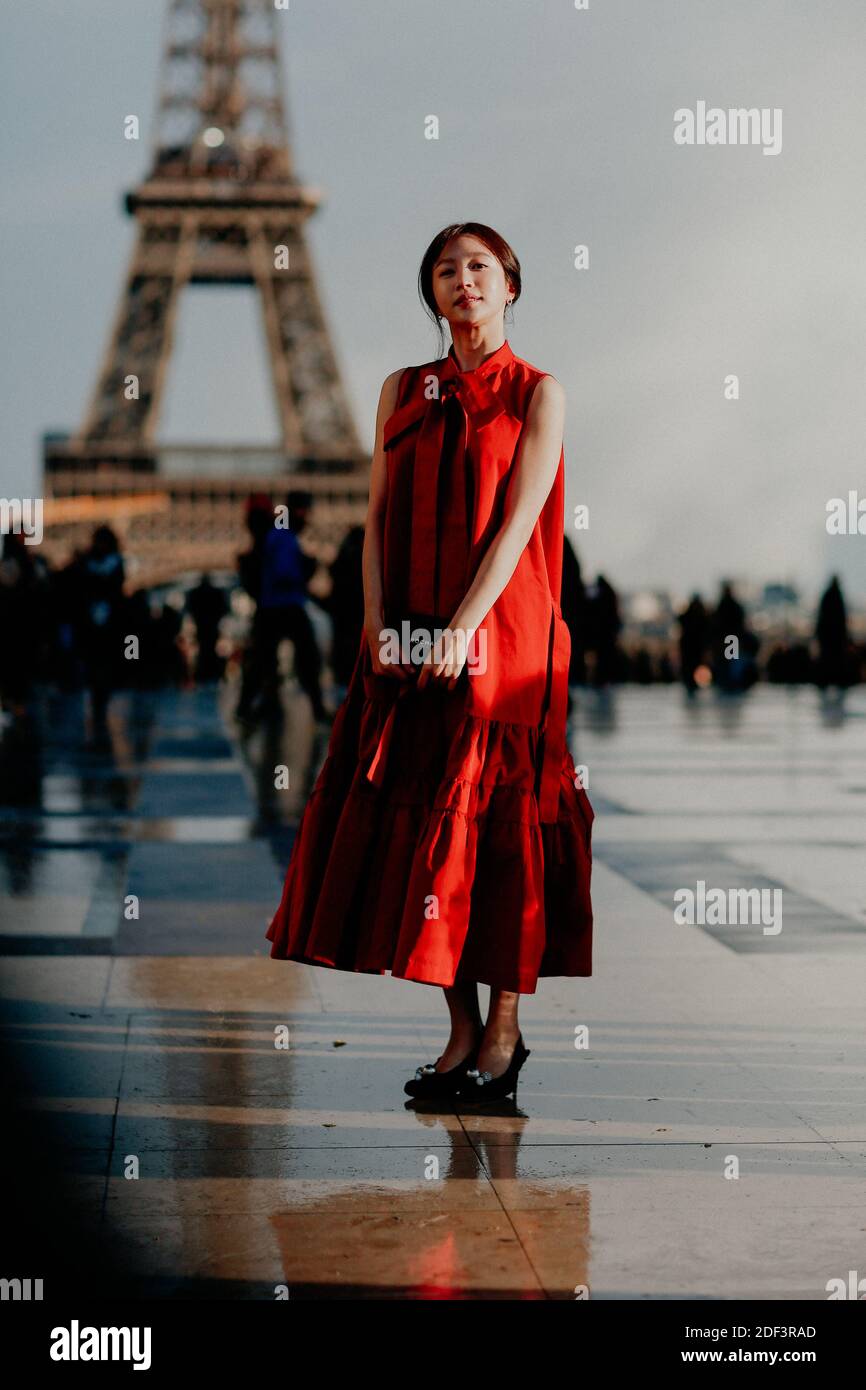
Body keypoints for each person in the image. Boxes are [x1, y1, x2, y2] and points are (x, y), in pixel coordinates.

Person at [266, 222, 595, 1102]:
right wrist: (379, 620)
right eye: (446, 271)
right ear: (433, 293)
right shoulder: (399, 391)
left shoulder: (539, 393)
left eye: (480, 268)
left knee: (499, 837)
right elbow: (377, 520)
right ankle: (458, 1030)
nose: (464, 282)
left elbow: (520, 522)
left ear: (512, 285)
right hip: (408, 636)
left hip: (506, 645)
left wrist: (460, 629)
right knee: (423, 835)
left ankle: (504, 1030)